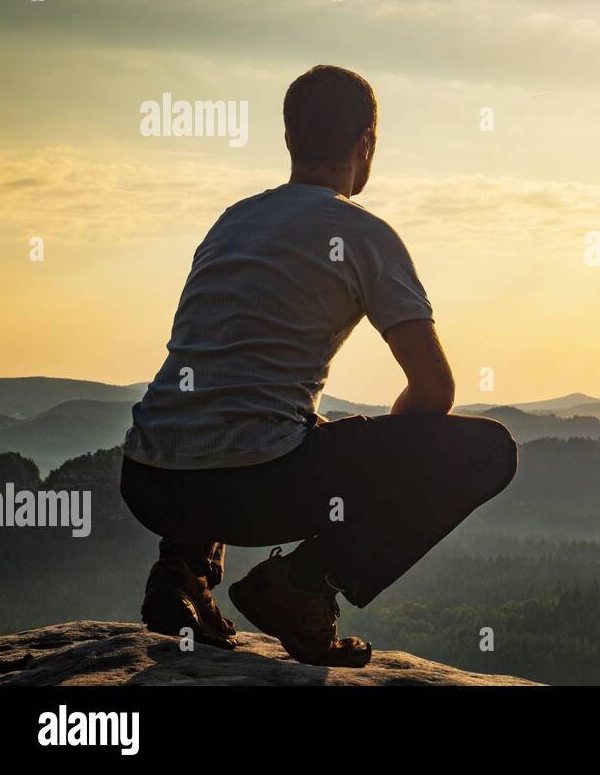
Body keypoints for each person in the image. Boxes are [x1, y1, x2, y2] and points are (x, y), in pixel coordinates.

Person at [119, 64, 517, 667]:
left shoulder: (234, 220)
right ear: (366, 145)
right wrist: (388, 451)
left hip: (149, 481)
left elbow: (225, 366)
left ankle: (182, 572)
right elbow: (433, 390)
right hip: (256, 485)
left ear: (288, 140)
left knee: (243, 418)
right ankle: (302, 584)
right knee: (491, 451)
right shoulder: (363, 234)